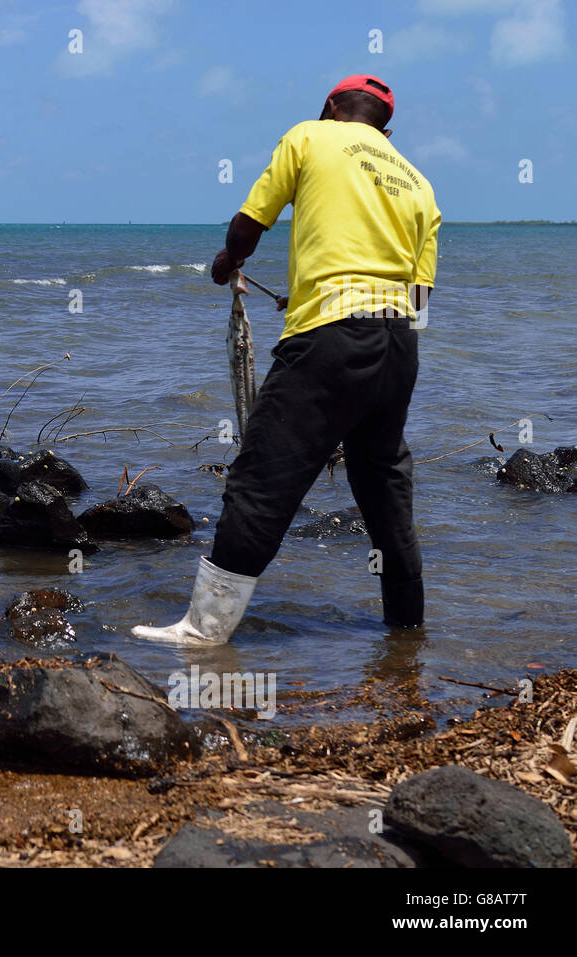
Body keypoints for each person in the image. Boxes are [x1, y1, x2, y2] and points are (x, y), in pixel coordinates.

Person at [133, 74, 440, 645]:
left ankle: (203, 632)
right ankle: (407, 636)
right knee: (385, 491)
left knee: (261, 480)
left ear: (330, 108)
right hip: (399, 348)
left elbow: (251, 223)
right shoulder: (420, 184)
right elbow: (420, 297)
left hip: (330, 339)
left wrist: (227, 262)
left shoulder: (310, 136)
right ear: (385, 127)